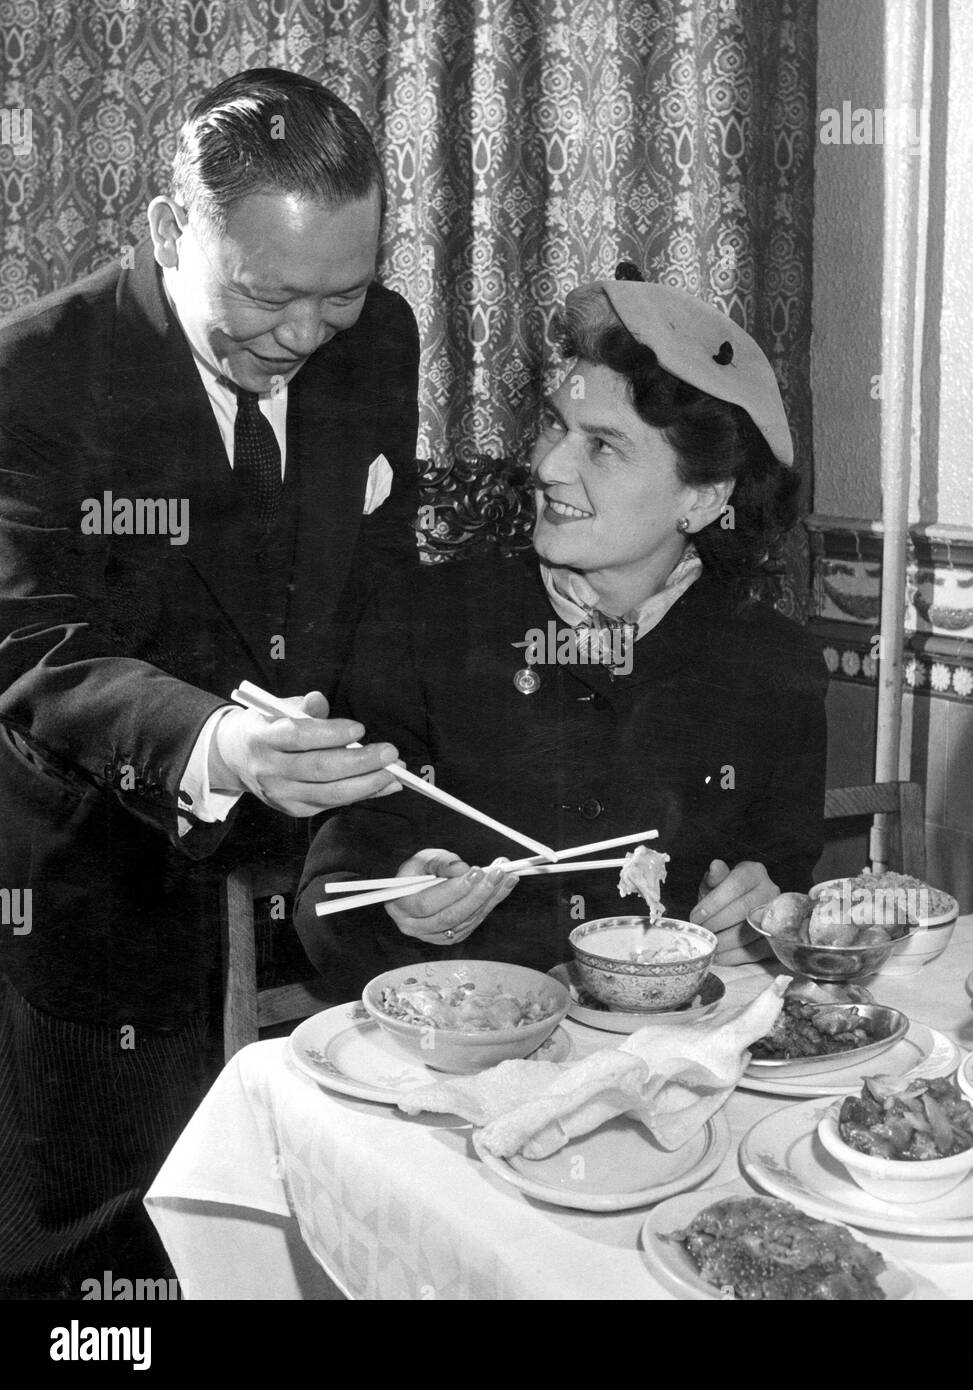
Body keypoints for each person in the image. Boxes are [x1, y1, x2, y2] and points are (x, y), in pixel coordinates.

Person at [0, 68, 418, 1297]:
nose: (301, 336)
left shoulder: (378, 336)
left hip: (312, 873)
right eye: (265, 294)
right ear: (164, 229)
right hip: (92, 876)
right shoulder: (34, 375)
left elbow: (370, 584)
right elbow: (31, 646)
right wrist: (215, 745)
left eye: (335, 296)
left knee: (294, 1234)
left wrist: (383, 779)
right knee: (97, 1255)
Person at [295, 270, 828, 994]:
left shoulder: (774, 665)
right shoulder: (423, 621)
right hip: (458, 1054)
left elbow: (782, 876)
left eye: (603, 447)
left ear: (702, 499)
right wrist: (400, 900)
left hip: (666, 1058)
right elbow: (331, 892)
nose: (547, 467)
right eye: (555, 424)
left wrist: (761, 912)